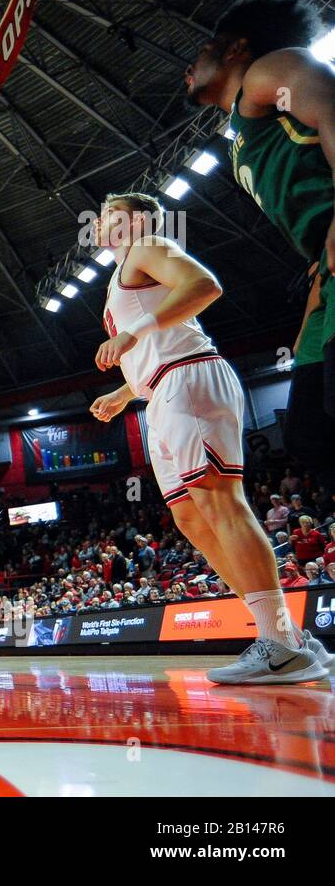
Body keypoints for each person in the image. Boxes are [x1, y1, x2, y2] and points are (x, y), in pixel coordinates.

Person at [89, 192, 328, 683]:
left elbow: (205, 285)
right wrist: (122, 393)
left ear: (134, 220)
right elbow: (154, 346)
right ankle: (287, 637)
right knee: (191, 518)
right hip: (160, 390)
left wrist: (134, 333)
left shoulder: (146, 245)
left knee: (221, 504)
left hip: (189, 379)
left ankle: (280, 643)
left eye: (111, 215)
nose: (99, 224)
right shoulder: (122, 277)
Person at [184, 0, 334, 487]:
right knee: (310, 432)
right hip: (329, 278)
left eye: (202, 49)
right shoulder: (241, 135)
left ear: (235, 48)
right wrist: (313, 310)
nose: (189, 65)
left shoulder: (269, 72)